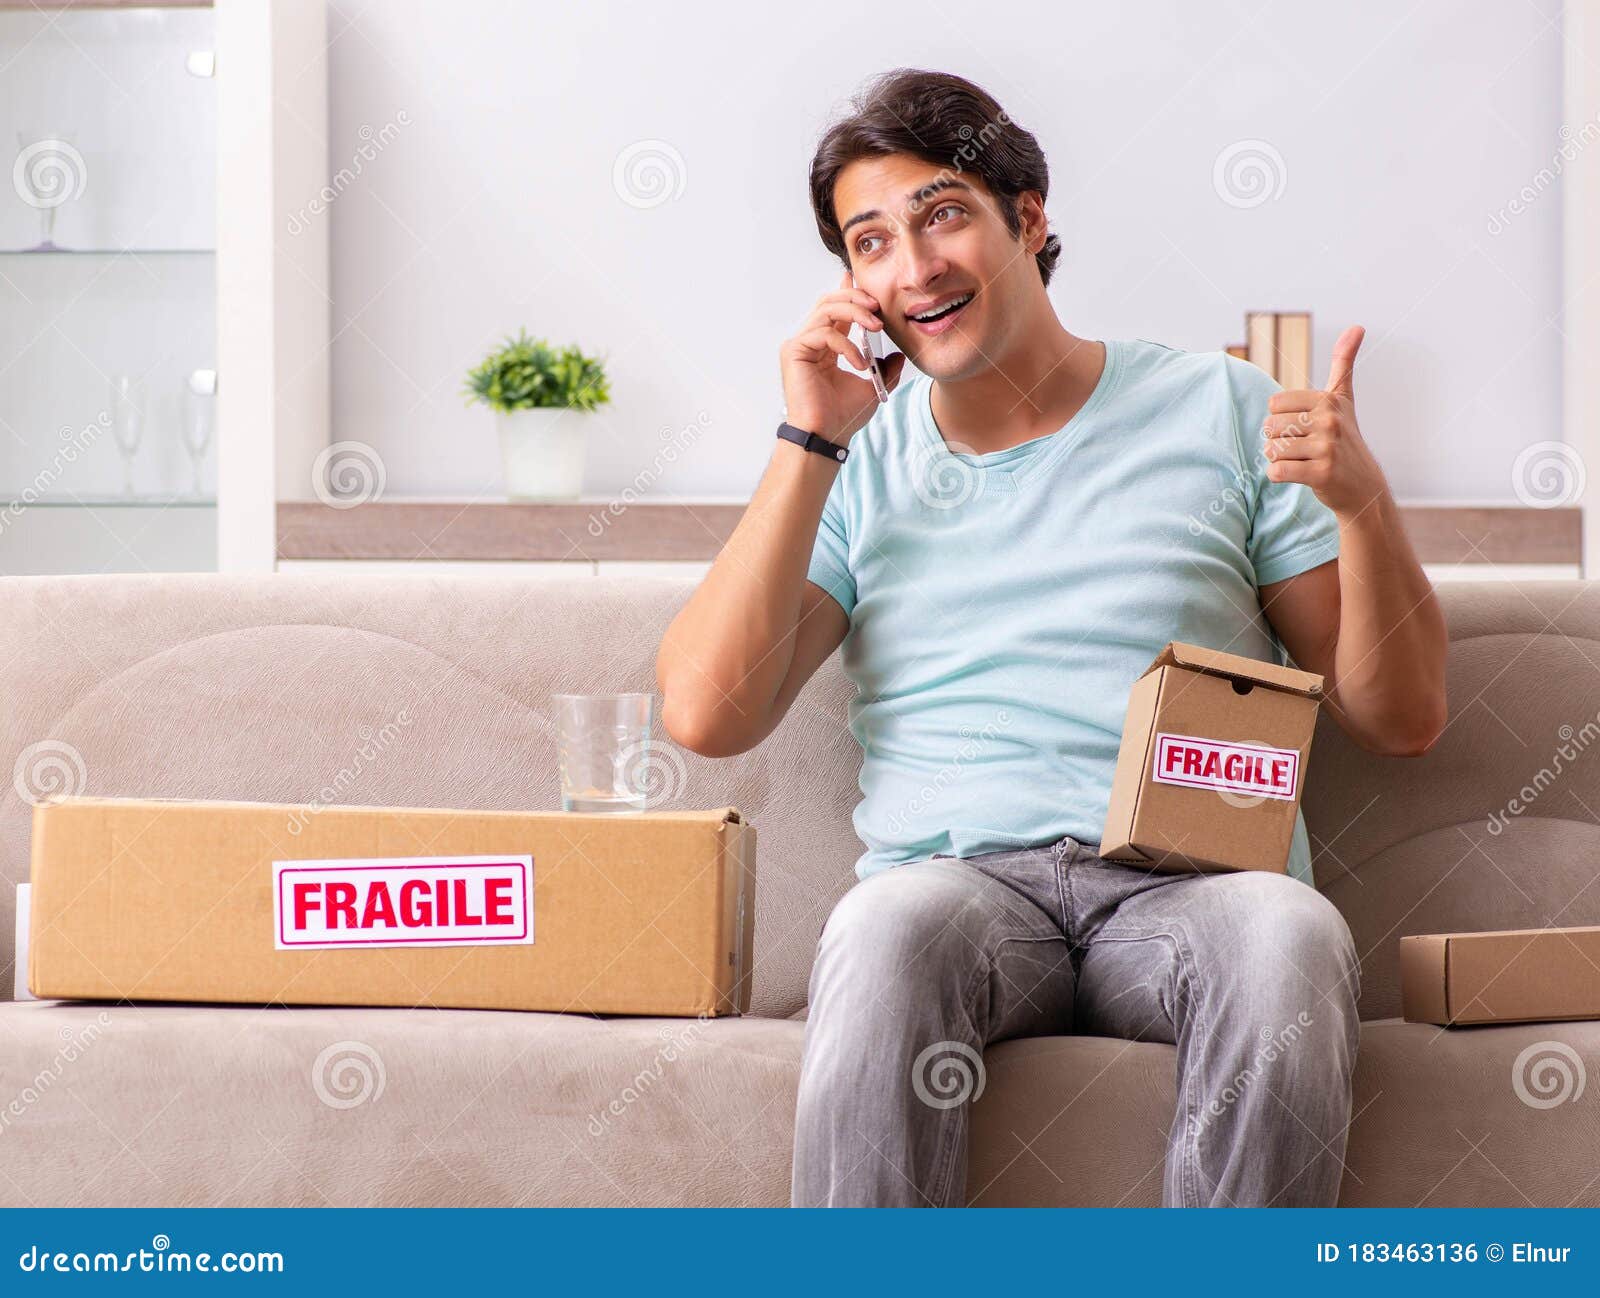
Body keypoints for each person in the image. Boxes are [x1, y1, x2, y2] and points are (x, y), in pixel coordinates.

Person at [654, 67, 1448, 1207]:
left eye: (941, 215)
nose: (913, 265)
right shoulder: (859, 459)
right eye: (869, 242)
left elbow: (1401, 716)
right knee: (882, 928)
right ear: (851, 284)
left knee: (1288, 933)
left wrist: (1365, 507)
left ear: (1025, 218)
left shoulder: (1217, 408)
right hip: (959, 889)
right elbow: (705, 713)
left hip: (1192, 887)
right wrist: (807, 438)